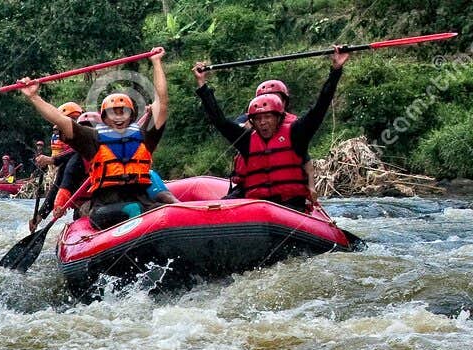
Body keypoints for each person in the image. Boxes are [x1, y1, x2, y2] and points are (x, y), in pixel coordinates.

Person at [19, 47, 169, 229]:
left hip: (144, 204)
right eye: (113, 113)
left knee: (157, 208)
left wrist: (157, 63)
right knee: (136, 209)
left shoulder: (145, 136)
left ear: (131, 116)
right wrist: (34, 97)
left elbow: (162, 102)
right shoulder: (93, 140)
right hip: (105, 210)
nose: (119, 117)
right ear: (104, 118)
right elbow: (60, 120)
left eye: (124, 112)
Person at [193, 49, 349, 209]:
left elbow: (320, 108)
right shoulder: (247, 140)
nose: (263, 123)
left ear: (279, 117)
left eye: (268, 117)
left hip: (290, 205)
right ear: (252, 121)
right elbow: (220, 121)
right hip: (256, 205)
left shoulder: (297, 133)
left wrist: (335, 71)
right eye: (258, 119)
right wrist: (202, 86)